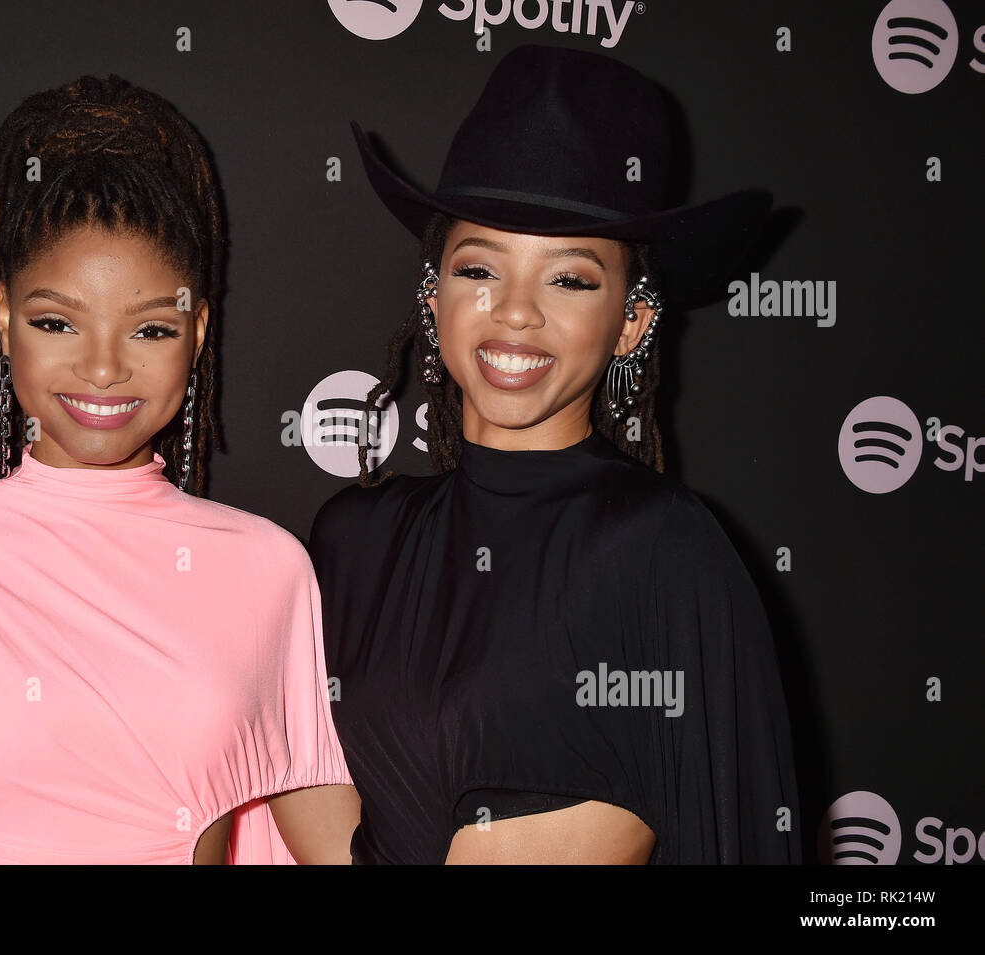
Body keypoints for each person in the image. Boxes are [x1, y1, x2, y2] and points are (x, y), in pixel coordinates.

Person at [0, 73, 359, 864]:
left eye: (151, 330)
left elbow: (343, 846)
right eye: (58, 320)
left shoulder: (268, 570)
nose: (101, 369)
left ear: (199, 331)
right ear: (2, 318)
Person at [308, 45, 802, 864]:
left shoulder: (664, 555)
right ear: (434, 294)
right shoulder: (352, 544)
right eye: (479, 268)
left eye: (568, 279)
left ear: (632, 322)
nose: (515, 313)